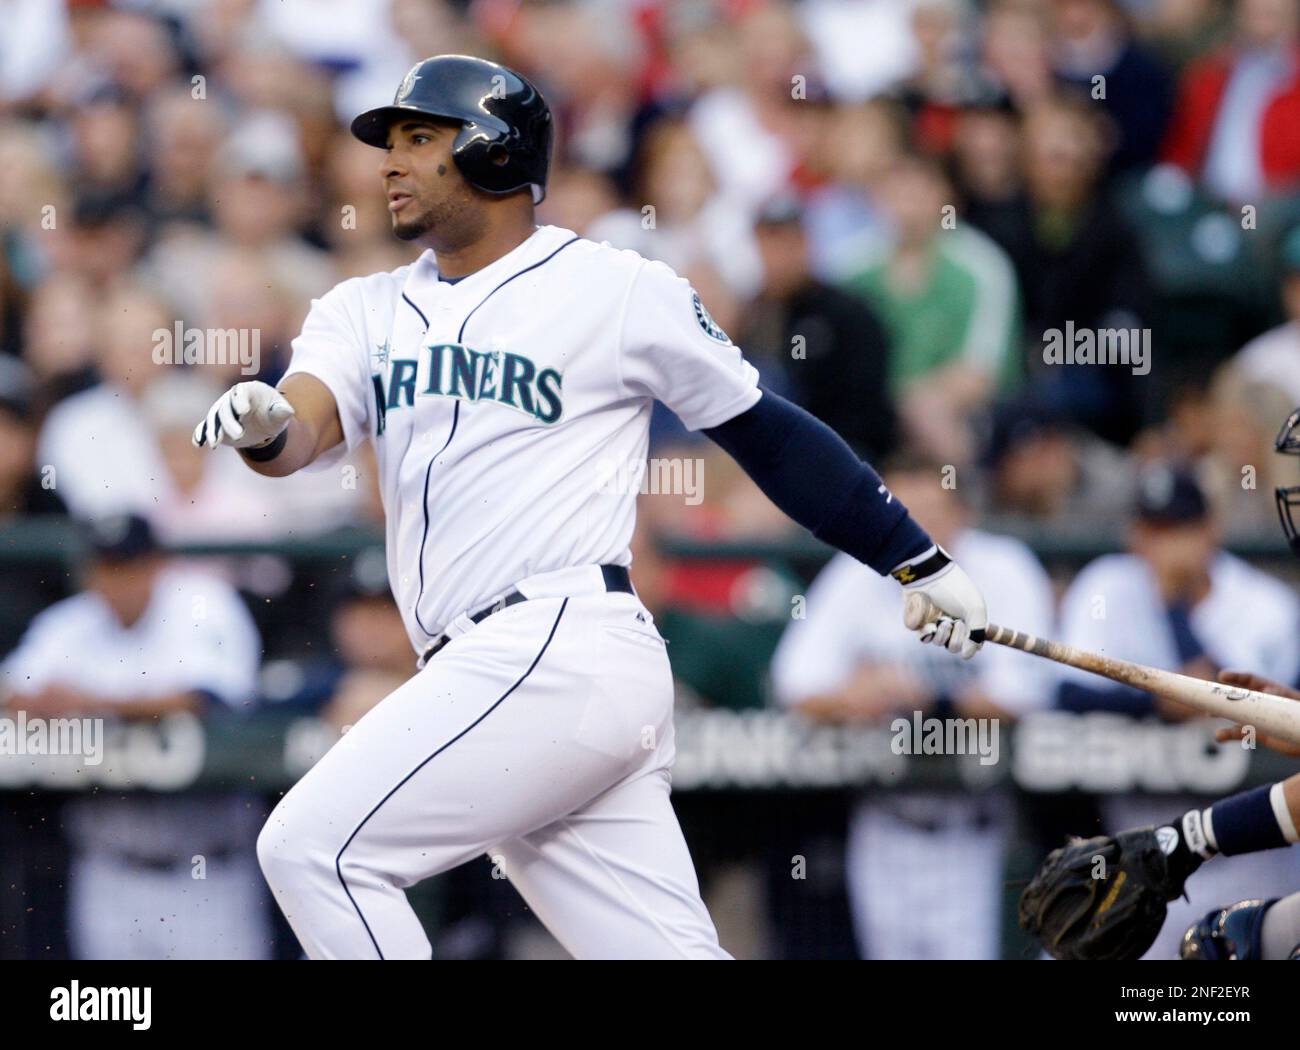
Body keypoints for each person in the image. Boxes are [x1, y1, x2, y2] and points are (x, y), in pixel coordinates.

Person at [190, 54, 990, 960]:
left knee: (314, 852)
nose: (390, 162)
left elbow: (767, 434)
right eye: (391, 142)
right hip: (509, 679)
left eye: (418, 138)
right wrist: (266, 425)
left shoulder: (614, 288)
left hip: (555, 642)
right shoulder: (363, 308)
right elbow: (300, 428)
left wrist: (913, 556)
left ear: (493, 150)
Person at [772, 455, 1054, 958]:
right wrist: (854, 696)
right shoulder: (859, 568)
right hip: (883, 823)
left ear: (962, 515)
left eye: (929, 514)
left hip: (974, 829)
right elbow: (794, 683)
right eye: (900, 514)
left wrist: (927, 697)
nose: (911, 531)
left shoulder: (1003, 566)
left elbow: (1025, 695)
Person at [1034, 463, 1300, 959]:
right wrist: (1156, 701)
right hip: (1137, 840)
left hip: (1250, 848)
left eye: (1180, 529)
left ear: (1210, 529)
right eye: (1153, 530)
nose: (1166, 546)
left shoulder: (1261, 603)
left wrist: (1175, 606)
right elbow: (1067, 694)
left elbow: (1250, 699)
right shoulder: (1108, 584)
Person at [0, 514, 270, 959]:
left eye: (129, 566)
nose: (117, 581)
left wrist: (88, 702)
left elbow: (206, 696)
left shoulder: (203, 603)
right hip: (108, 872)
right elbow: (14, 689)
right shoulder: (71, 621)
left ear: (157, 565)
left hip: (205, 873)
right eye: (106, 567)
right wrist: (43, 702)